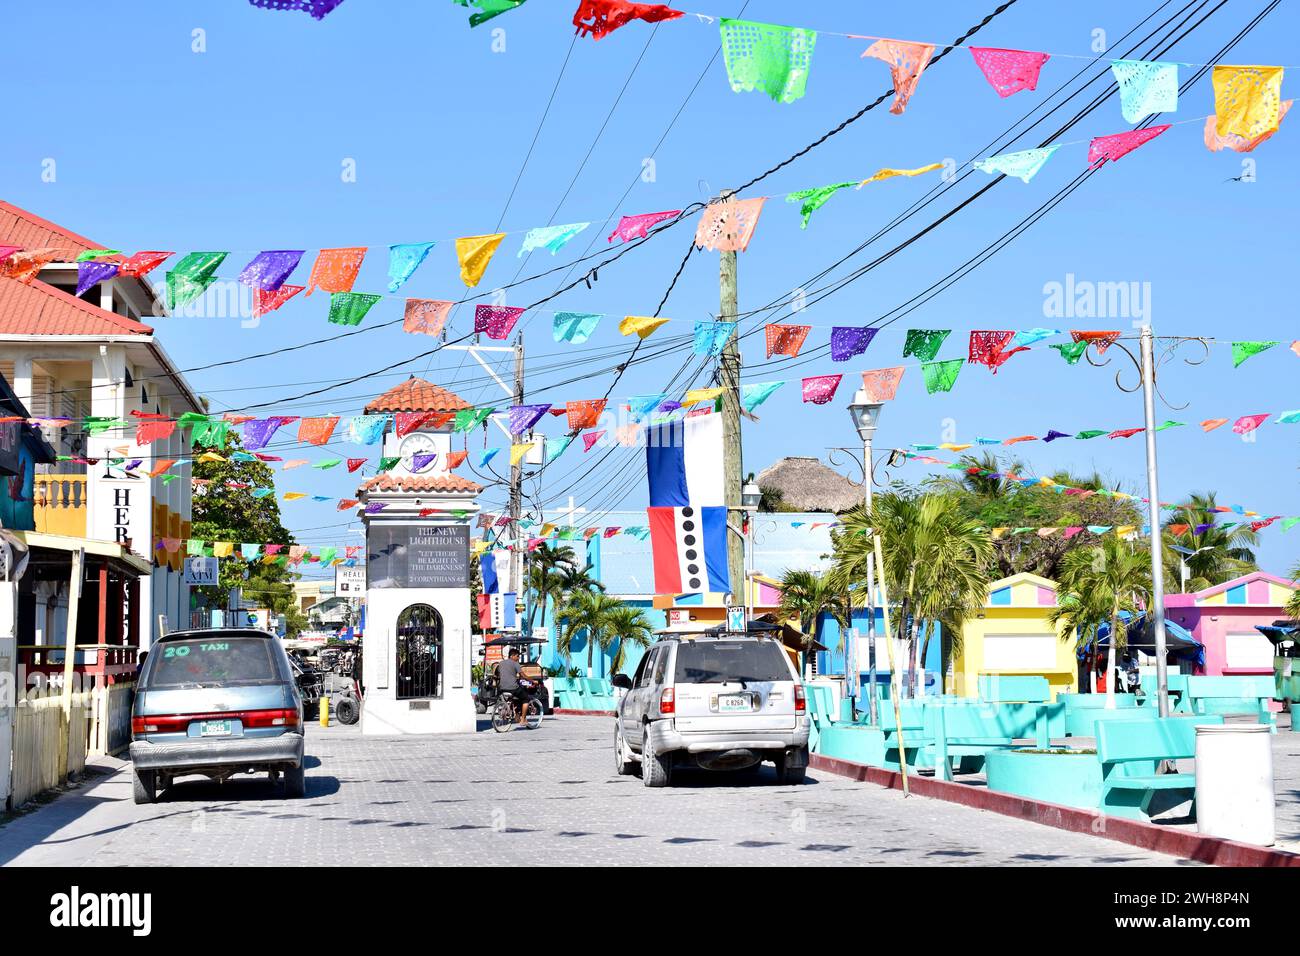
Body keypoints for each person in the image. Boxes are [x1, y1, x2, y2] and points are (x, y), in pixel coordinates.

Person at [494, 648, 528, 725]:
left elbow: (498, 674)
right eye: (517, 656)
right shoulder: (515, 663)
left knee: (515, 697)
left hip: (502, 688)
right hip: (512, 688)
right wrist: (532, 681)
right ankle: (523, 719)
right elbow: (523, 675)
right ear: (512, 656)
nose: (518, 658)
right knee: (526, 698)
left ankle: (516, 715)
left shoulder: (501, 663)